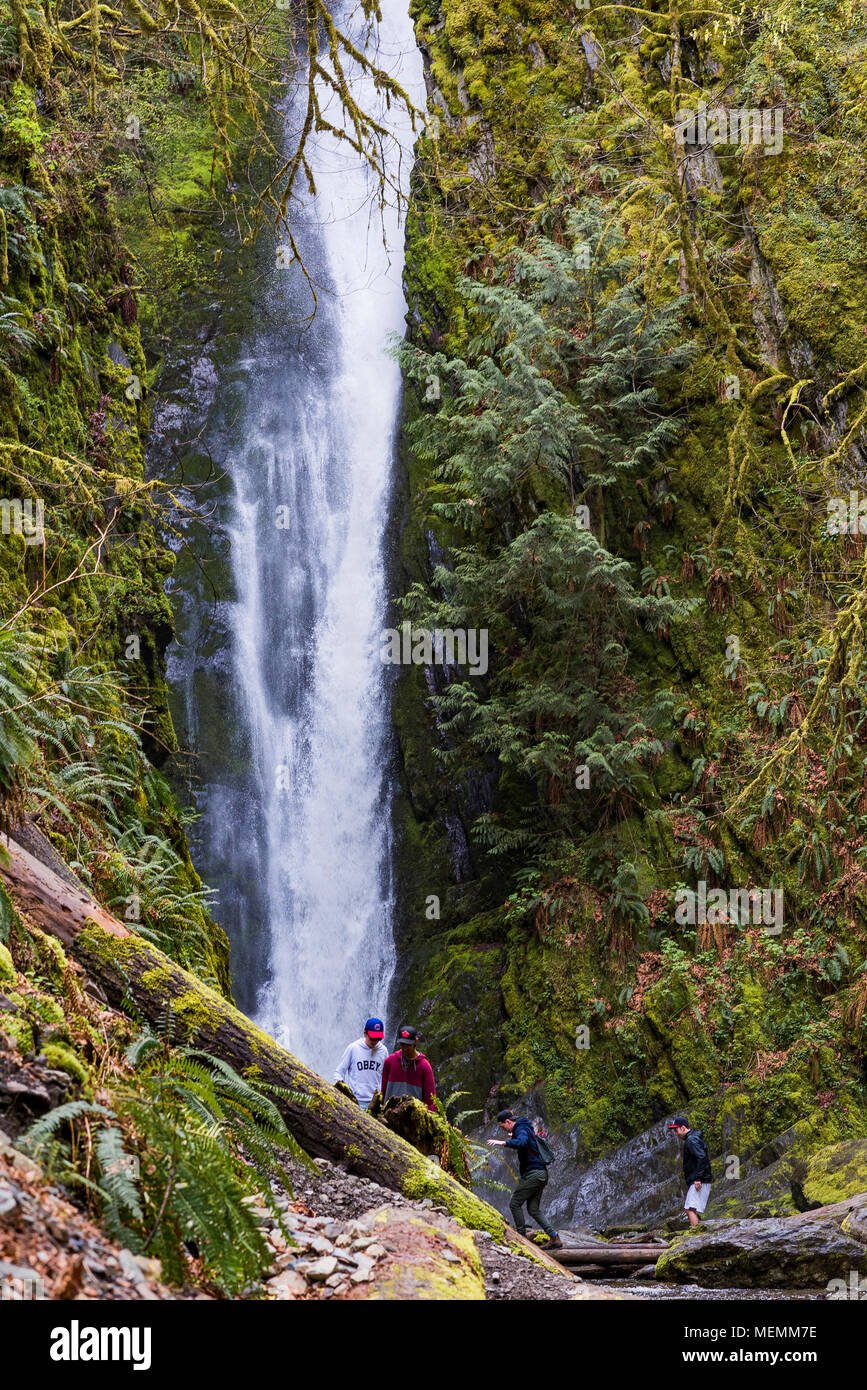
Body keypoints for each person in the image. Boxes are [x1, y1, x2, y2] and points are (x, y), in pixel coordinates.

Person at [487, 1108, 562, 1248]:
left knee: (515, 1204)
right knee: (533, 1209)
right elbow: (523, 1139)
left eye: (503, 1126)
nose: (503, 1130)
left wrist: (503, 1142)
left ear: (508, 1121)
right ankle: (554, 1238)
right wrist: (512, 1136)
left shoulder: (521, 1128)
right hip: (541, 1174)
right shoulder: (524, 1127)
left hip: (534, 1174)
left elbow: (522, 1142)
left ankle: (521, 1238)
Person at [332, 1018, 388, 1111]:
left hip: (375, 1102)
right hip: (355, 1101)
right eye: (372, 1038)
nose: (375, 1041)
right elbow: (339, 1072)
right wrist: (343, 1091)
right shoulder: (353, 1048)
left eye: (378, 1039)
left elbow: (385, 1075)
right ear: (365, 1033)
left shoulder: (383, 1051)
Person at [380, 1025, 437, 1112]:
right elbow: (382, 1092)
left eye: (408, 1045)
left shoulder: (424, 1067)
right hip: (388, 1116)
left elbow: (431, 1099)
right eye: (402, 1044)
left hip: (413, 1119)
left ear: (416, 1041)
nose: (405, 1048)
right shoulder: (390, 1062)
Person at [668, 1116, 713, 1226]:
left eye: (676, 1130)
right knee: (691, 1208)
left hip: (699, 1180)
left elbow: (702, 1158)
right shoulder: (693, 1138)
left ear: (683, 1128)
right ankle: (696, 1232)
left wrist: (697, 1178)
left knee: (689, 1209)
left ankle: (695, 1236)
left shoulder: (691, 1140)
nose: (676, 1133)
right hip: (700, 1178)